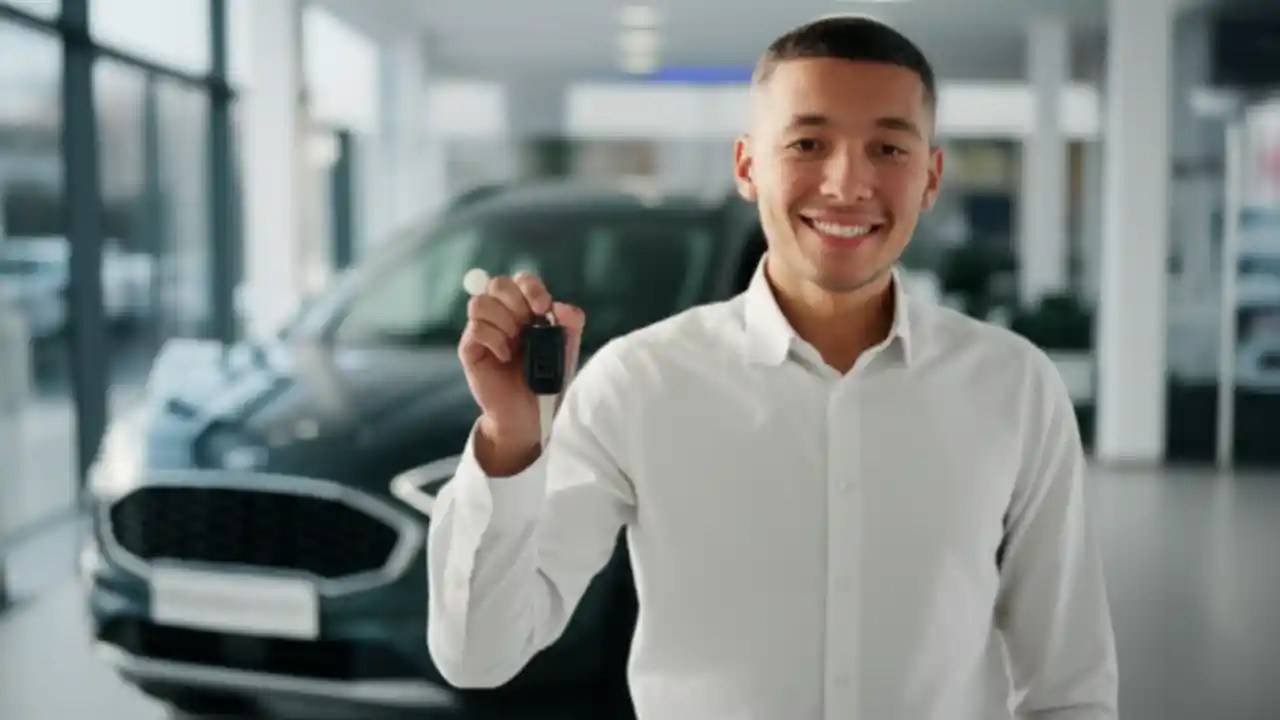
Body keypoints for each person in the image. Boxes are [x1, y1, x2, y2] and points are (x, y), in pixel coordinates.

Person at [427, 15, 1118, 720]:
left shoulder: (1013, 387)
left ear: (931, 177)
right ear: (747, 165)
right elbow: (480, 654)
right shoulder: (639, 383)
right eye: (808, 143)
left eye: (887, 147)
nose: (848, 183)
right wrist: (510, 440)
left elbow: (1069, 687)